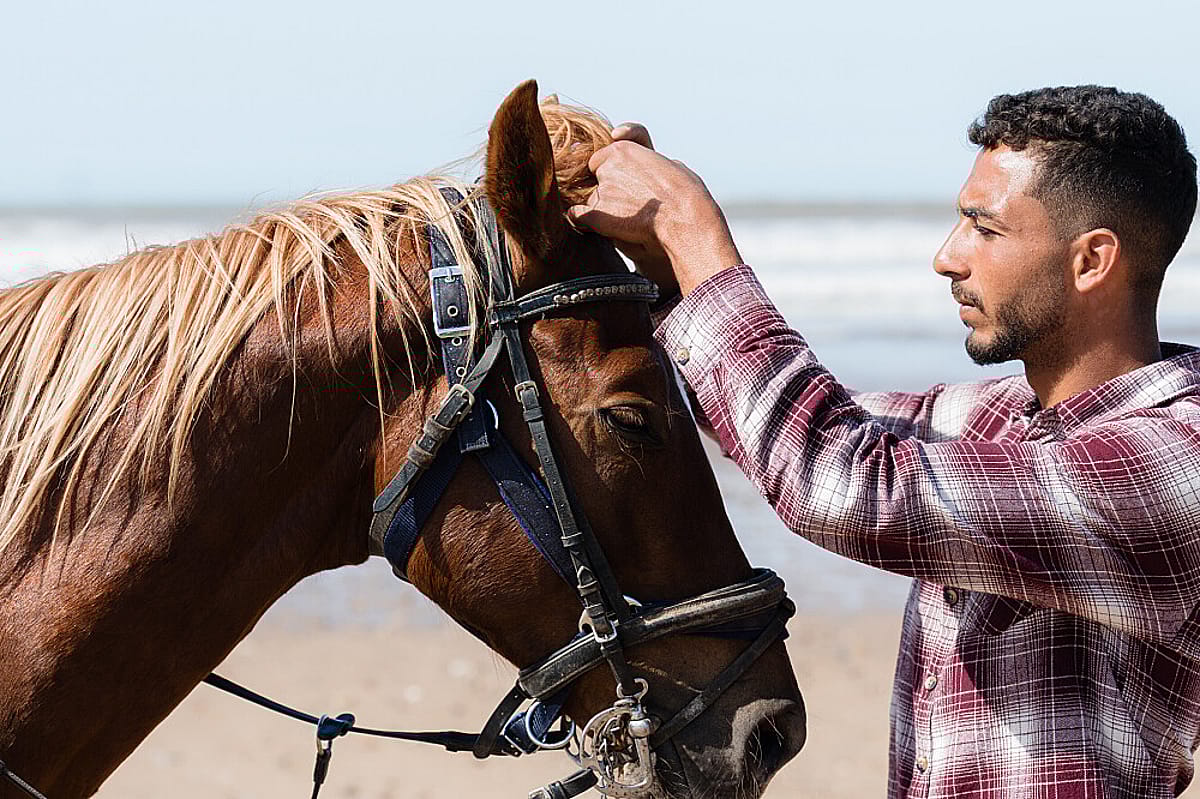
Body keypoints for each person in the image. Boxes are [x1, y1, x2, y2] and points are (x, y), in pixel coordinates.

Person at [567, 85, 1200, 799]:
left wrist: (695, 230)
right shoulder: (996, 418)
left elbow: (838, 482)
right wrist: (664, 265)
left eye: (984, 230)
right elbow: (771, 424)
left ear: (1091, 261)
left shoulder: (1175, 461)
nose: (946, 257)